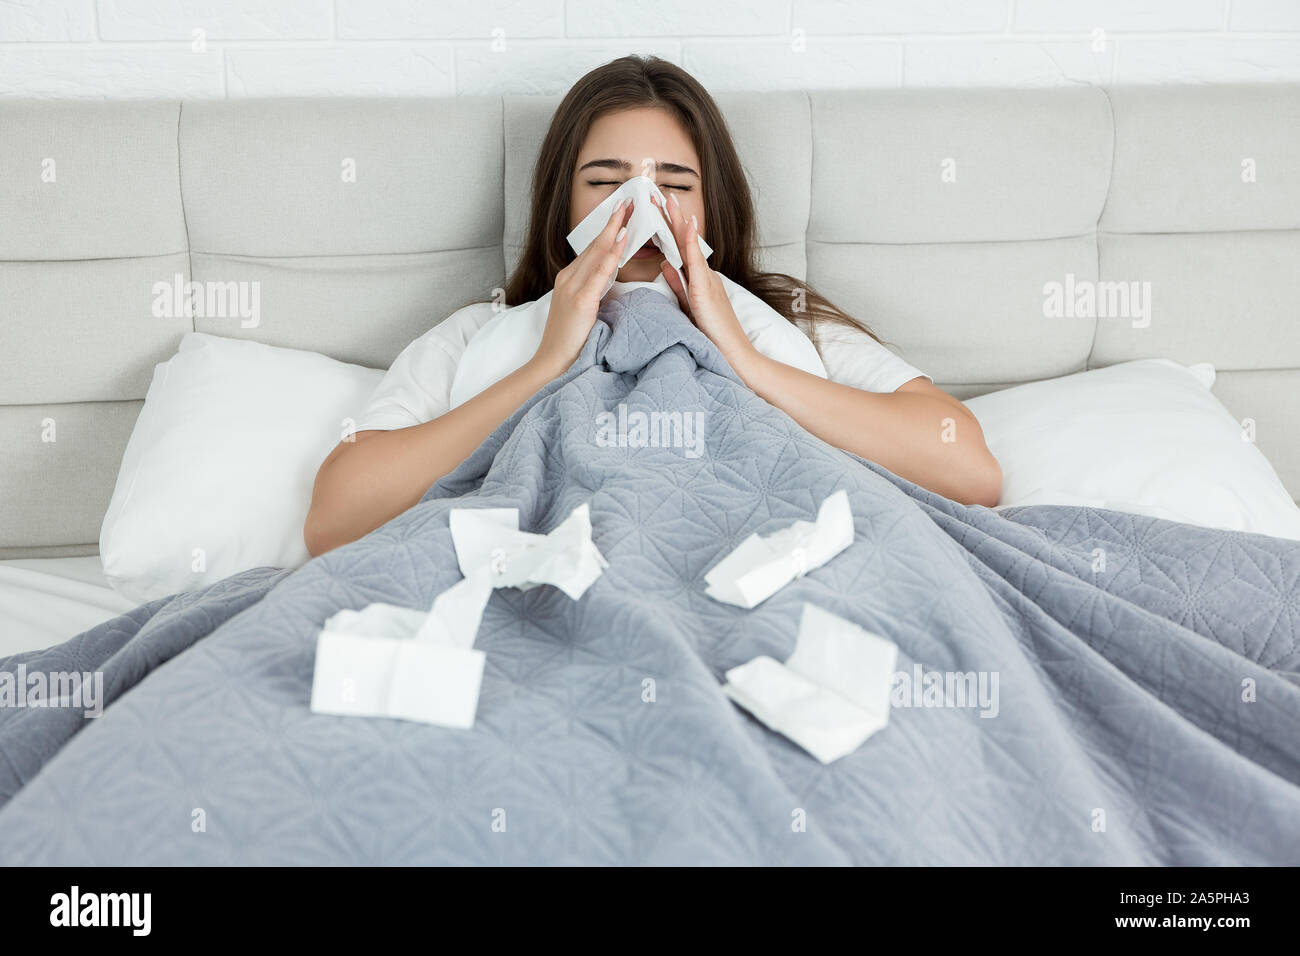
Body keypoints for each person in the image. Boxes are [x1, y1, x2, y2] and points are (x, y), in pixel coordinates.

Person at [305, 56, 1001, 557]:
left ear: (711, 209)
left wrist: (746, 360)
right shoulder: (481, 329)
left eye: (673, 184)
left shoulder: (781, 319)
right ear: (562, 204)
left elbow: (968, 470)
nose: (639, 211)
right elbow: (336, 517)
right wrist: (546, 363)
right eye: (605, 183)